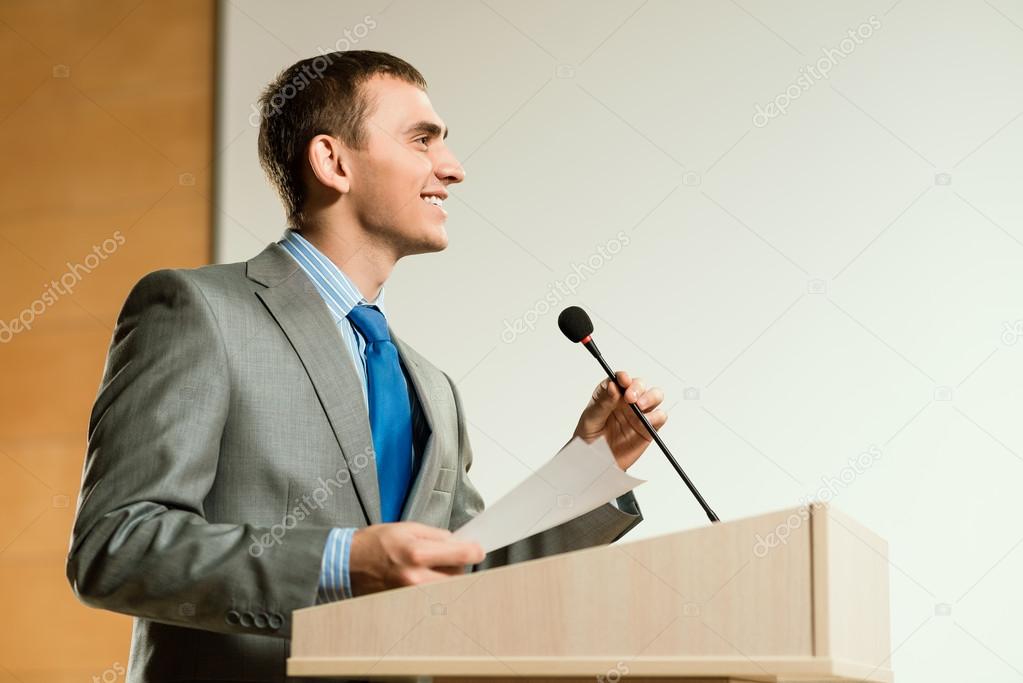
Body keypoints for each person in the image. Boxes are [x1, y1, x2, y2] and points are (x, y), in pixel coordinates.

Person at [66, 50, 668, 683]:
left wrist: (588, 468)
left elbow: (465, 573)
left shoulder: (432, 388)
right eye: (421, 140)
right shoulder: (198, 311)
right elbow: (116, 548)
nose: (453, 169)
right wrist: (340, 562)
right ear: (333, 161)